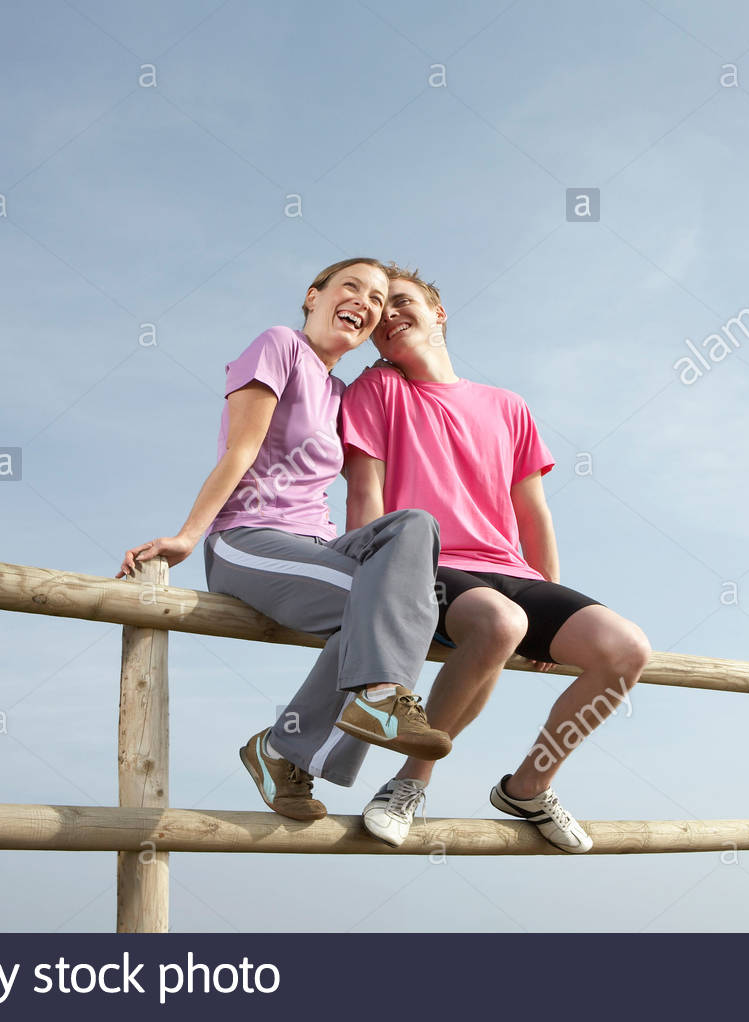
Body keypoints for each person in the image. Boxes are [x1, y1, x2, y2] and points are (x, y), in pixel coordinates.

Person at [117, 258, 451, 822]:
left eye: (377, 300)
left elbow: (384, 473)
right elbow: (241, 450)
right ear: (313, 296)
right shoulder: (279, 346)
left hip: (317, 546)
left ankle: (282, 748)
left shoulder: (341, 392)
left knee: (412, 529)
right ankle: (361, 710)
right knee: (385, 612)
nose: (366, 303)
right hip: (249, 536)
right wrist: (188, 537)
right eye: (353, 288)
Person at [340, 265, 652, 853]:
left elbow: (532, 512)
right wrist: (367, 583)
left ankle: (529, 786)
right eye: (381, 316)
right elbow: (365, 494)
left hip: (511, 571)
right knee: (499, 623)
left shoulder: (508, 406)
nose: (391, 317)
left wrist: (549, 598)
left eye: (404, 302)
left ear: (440, 313)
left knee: (625, 648)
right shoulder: (377, 390)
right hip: (421, 564)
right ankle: (412, 780)